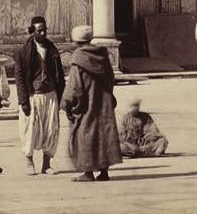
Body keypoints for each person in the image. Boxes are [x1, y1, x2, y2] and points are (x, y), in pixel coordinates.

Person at [63, 23, 122, 181]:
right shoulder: (103, 56)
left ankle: (88, 173)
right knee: (102, 135)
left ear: (76, 41)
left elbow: (75, 87)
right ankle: (104, 172)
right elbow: (111, 78)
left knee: (85, 136)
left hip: (86, 105)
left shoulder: (78, 58)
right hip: (103, 103)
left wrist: (67, 104)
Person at [13, 15, 64, 176]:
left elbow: (59, 74)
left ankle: (46, 165)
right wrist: (23, 100)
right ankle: (29, 162)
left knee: (51, 129)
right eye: (39, 30)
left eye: (44, 30)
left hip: (50, 95)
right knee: (30, 129)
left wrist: (61, 96)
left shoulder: (52, 50)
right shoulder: (23, 52)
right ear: (32, 31)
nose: (43, 33)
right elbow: (19, 78)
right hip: (33, 96)